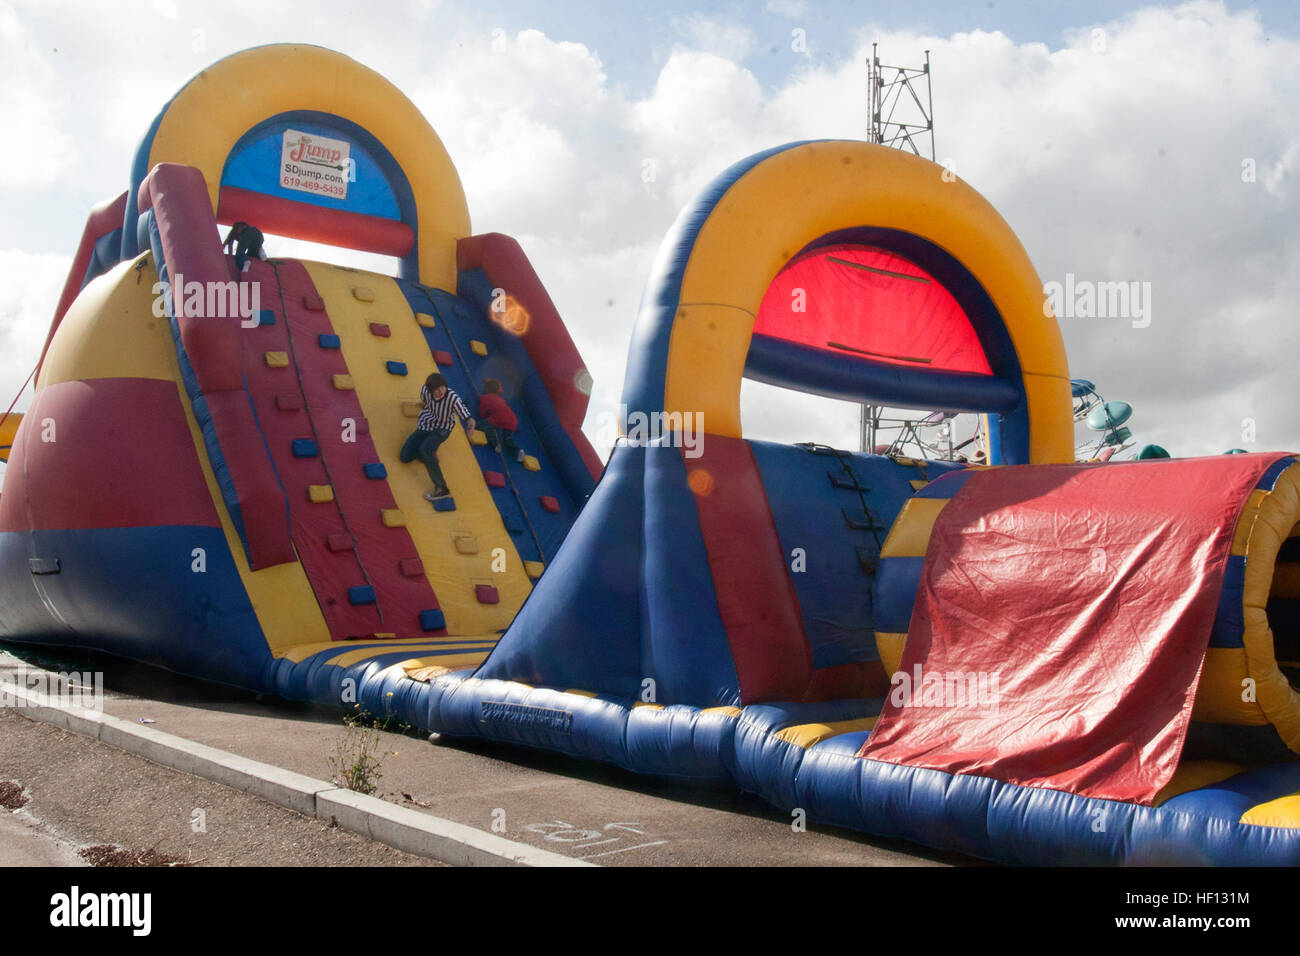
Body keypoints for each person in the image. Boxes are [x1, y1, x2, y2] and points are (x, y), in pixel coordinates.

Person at [400, 373, 475, 500]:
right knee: (404, 457)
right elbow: (424, 401)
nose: (440, 391)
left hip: (443, 428)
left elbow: (468, 417)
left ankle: (442, 488)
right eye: (436, 389)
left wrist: (471, 426)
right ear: (430, 390)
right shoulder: (425, 390)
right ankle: (428, 450)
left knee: (425, 450)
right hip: (427, 422)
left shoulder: (452, 398)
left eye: (442, 387)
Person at [477, 379, 526, 463]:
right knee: (508, 438)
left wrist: (484, 416)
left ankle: (496, 444)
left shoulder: (485, 398)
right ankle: (518, 451)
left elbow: (482, 413)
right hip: (512, 419)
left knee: (481, 426)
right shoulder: (499, 398)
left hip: (500, 417)